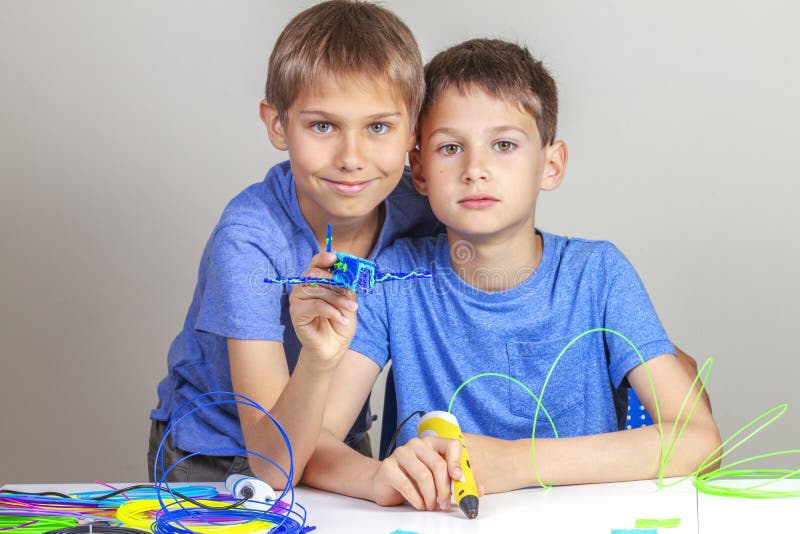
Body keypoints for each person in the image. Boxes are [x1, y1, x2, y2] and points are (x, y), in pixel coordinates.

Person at [299, 38, 722, 511]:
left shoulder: (598, 275)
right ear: (417, 170)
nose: (475, 169)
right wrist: (377, 477)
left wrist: (516, 463)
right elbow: (312, 444)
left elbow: (700, 441)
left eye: (504, 144)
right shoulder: (393, 280)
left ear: (551, 163)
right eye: (450, 147)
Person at [148, 0, 440, 486]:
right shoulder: (248, 241)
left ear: (413, 132)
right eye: (322, 125)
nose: (352, 157)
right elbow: (271, 465)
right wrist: (319, 358)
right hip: (217, 454)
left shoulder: (421, 210)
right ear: (278, 124)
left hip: (335, 442)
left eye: (378, 127)